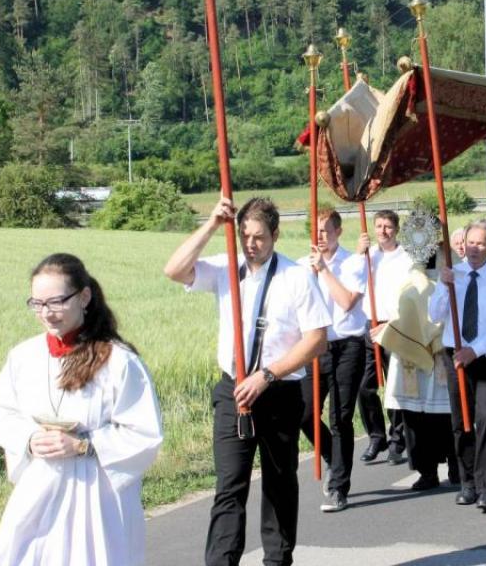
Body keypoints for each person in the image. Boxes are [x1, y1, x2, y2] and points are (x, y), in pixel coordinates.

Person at [164, 197, 329, 566]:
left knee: (279, 482)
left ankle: (277, 560)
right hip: (232, 390)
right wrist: (210, 225)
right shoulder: (226, 267)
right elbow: (173, 270)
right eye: (244, 235)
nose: (250, 244)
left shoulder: (295, 276)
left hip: (280, 390)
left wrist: (268, 374)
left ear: (275, 234)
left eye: (259, 237)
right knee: (229, 486)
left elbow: (316, 339)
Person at [0, 254, 163, 566]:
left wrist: (84, 445)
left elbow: (144, 432)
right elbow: (0, 411)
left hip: (96, 493)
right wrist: (29, 439)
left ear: (84, 296)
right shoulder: (23, 356)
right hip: (40, 486)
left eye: (56, 302)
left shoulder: (119, 361)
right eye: (37, 303)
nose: (46, 313)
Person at [430, 223, 486, 512]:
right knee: (460, 423)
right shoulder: (453, 276)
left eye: (482, 244)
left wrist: (475, 350)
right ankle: (467, 482)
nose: (475, 249)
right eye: (471, 243)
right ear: (462, 245)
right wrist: (444, 286)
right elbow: (434, 314)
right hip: (455, 356)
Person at [379, 212, 454, 493]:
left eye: (428, 233)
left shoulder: (452, 263)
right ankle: (426, 469)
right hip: (410, 348)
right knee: (414, 415)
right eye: (416, 232)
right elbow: (393, 299)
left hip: (441, 349)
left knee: (446, 412)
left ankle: (457, 464)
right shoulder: (402, 265)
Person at [300, 212, 368, 513]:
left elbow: (346, 301)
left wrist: (324, 270)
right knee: (303, 412)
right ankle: (331, 454)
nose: (320, 236)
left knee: (340, 416)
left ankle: (340, 487)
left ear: (338, 231)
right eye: (316, 231)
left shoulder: (354, 262)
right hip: (316, 347)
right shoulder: (303, 265)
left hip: (347, 346)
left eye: (326, 231)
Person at [358, 210, 412, 465]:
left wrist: (392, 322)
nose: (382, 231)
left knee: (394, 386)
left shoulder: (406, 258)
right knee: (364, 387)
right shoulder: (368, 256)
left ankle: (397, 439)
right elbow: (353, 283)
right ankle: (376, 435)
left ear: (396, 229)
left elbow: (412, 295)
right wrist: (360, 254)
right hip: (369, 325)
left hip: (394, 325)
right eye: (378, 226)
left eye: (388, 226)